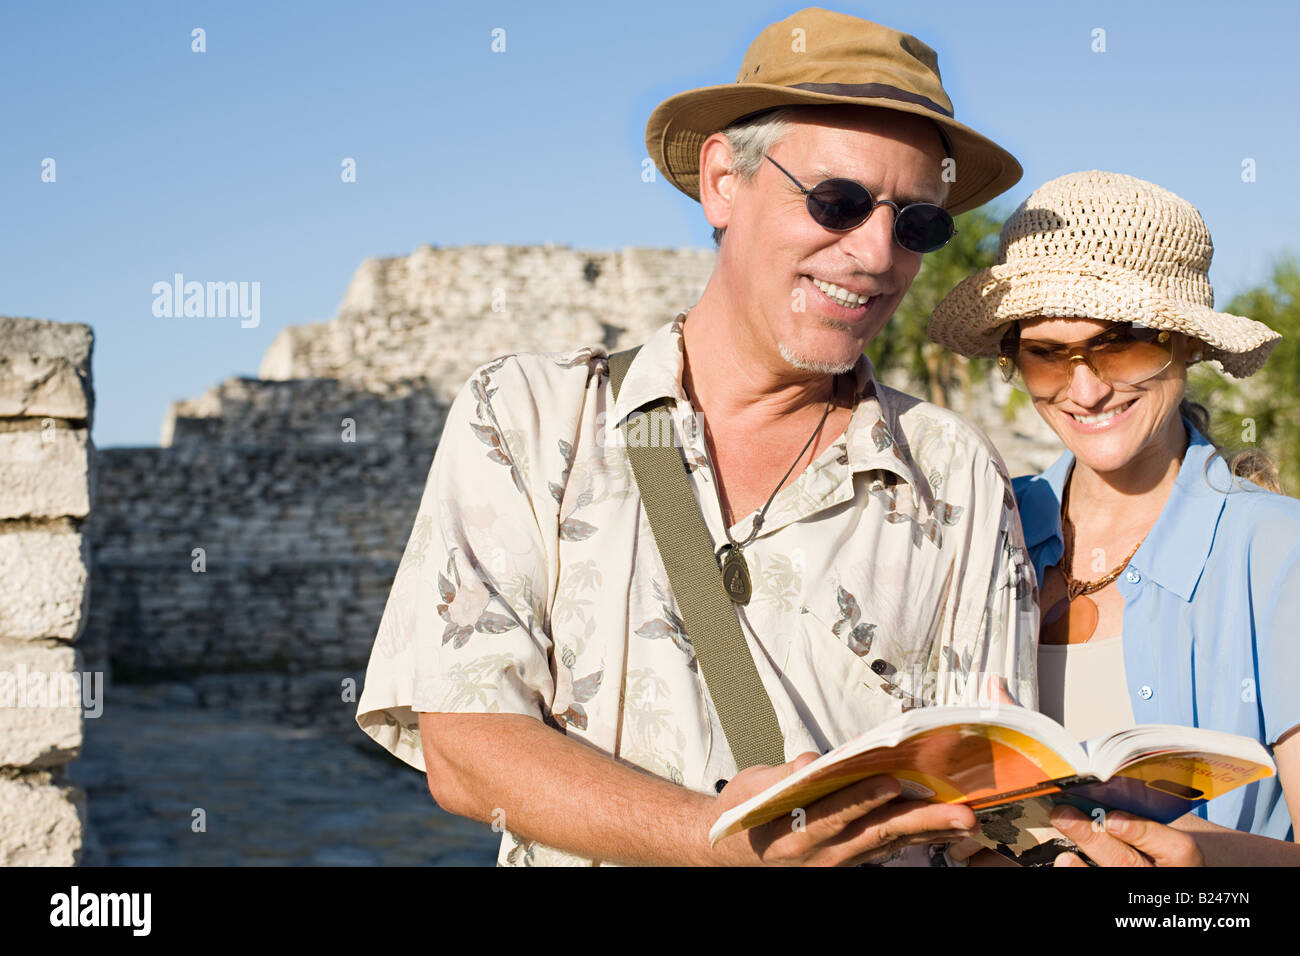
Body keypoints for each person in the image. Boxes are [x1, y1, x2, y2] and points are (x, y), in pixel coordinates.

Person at [355, 8, 1038, 867]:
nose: (873, 254)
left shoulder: (956, 473)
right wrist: (714, 843)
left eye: (917, 225)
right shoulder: (527, 416)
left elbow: (989, 809)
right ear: (724, 179)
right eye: (838, 202)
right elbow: (462, 744)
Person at [929, 170, 1300, 865]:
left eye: (1120, 344)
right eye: (1046, 354)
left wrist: (1201, 865)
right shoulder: (980, 526)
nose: (1087, 388)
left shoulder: (1279, 552)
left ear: (1187, 345)